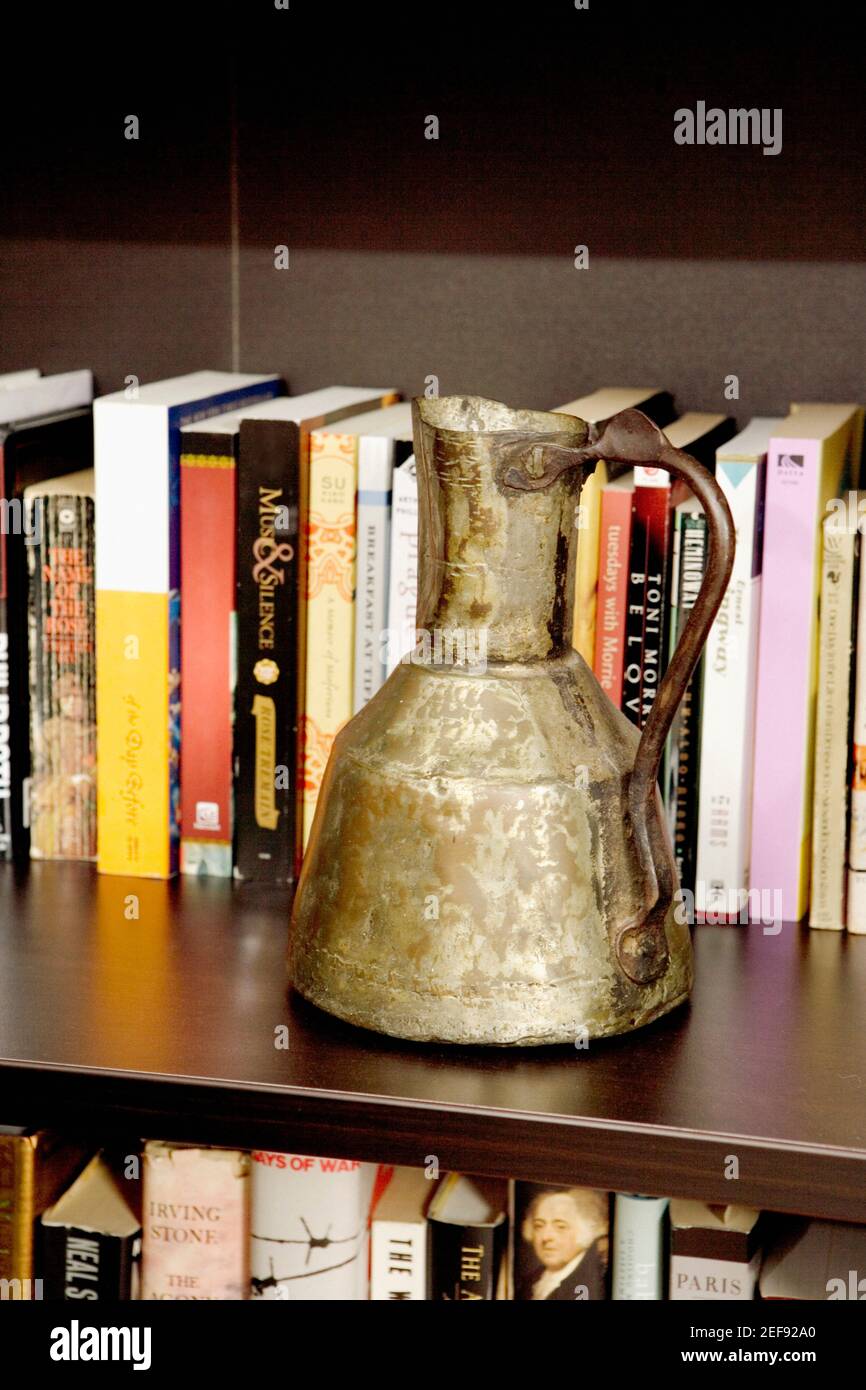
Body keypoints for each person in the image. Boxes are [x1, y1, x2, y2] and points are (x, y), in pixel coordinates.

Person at [518, 1187, 609, 1300]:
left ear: (586, 1230)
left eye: (560, 1227)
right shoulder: (529, 1282)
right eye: (539, 1226)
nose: (546, 1237)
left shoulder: (594, 1281)